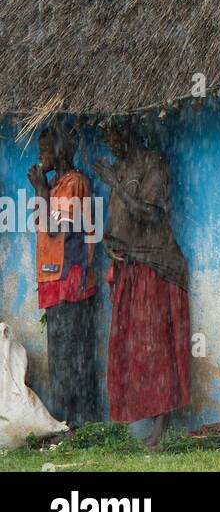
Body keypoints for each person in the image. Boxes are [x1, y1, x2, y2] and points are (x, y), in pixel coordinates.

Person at [95, 121, 190, 446]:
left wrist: (115, 184)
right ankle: (142, 425)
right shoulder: (120, 168)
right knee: (132, 349)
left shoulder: (153, 164)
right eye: (105, 137)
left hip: (157, 267)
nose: (109, 143)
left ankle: (162, 428)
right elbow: (117, 222)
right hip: (131, 269)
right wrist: (110, 244)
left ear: (128, 131)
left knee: (157, 348)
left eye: (112, 135)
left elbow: (150, 214)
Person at [28, 120, 97, 430]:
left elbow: (57, 228)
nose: (41, 155)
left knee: (73, 356)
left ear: (61, 150)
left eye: (45, 149)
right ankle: (68, 423)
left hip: (70, 280)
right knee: (61, 356)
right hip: (54, 281)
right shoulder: (57, 185)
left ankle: (80, 425)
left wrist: (41, 190)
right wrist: (44, 191)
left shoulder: (73, 183)